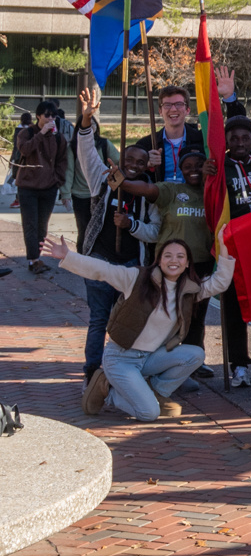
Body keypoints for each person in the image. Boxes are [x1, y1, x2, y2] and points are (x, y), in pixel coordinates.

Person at [50, 233, 235, 421]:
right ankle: (108, 390)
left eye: (180, 257)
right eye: (168, 256)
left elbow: (219, 282)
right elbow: (103, 270)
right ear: (159, 260)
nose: (174, 261)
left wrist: (223, 246)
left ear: (187, 263)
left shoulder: (188, 290)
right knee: (149, 413)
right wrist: (69, 256)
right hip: (121, 358)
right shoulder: (137, 278)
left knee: (195, 354)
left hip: (149, 358)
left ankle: (155, 392)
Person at [73, 88, 158, 383]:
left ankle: (124, 373)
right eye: (128, 160)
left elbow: (154, 231)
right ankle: (93, 373)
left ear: (147, 166)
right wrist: (86, 121)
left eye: (139, 162)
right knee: (98, 320)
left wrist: (131, 224)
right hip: (100, 261)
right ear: (120, 159)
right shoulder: (105, 180)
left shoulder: (149, 192)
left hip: (132, 267)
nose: (132, 166)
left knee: (127, 322)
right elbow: (86, 154)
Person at [116, 143, 215, 363]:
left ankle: (192, 363)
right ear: (180, 169)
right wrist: (120, 181)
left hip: (200, 265)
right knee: (164, 315)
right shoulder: (172, 190)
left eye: (199, 165)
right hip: (169, 267)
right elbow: (145, 189)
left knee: (196, 318)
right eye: (187, 166)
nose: (193, 170)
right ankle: (155, 361)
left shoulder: (212, 192)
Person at [217, 116, 251, 387]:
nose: (240, 143)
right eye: (234, 138)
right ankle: (238, 362)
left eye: (245, 138)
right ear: (226, 141)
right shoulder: (220, 167)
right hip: (233, 246)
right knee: (234, 306)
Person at [16, 99, 67, 274]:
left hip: (48, 187)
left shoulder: (58, 138)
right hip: (28, 187)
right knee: (30, 223)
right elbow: (24, 150)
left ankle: (37, 257)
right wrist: (41, 133)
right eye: (46, 115)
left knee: (42, 224)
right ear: (38, 116)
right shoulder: (27, 133)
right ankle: (33, 260)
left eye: (53, 115)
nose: (50, 118)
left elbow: (62, 160)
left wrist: (57, 180)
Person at [64, 107, 116, 250]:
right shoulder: (73, 147)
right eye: (87, 123)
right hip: (80, 195)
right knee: (84, 230)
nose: (91, 126)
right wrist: (66, 194)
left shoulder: (105, 144)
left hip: (101, 194)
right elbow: (68, 171)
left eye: (93, 123)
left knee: (101, 229)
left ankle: (98, 259)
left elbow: (119, 164)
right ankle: (83, 260)